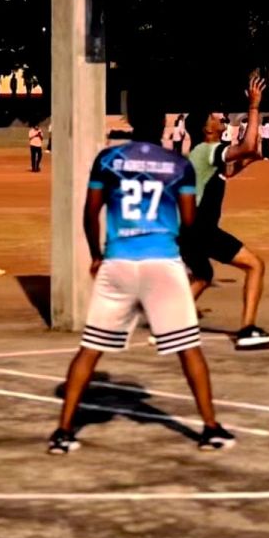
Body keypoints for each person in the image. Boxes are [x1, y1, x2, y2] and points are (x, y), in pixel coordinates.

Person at [47, 92, 234, 455]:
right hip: (162, 261)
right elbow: (189, 220)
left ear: (130, 121)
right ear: (164, 124)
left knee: (90, 349)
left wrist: (97, 254)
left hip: (118, 261)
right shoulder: (178, 164)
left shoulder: (109, 159)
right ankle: (210, 428)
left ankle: (63, 431)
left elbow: (90, 212)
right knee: (188, 349)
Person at [183, 74, 269, 349]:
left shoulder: (203, 154)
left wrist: (248, 161)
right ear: (207, 129)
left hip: (190, 230)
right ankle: (247, 330)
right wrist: (254, 106)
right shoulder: (208, 150)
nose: (219, 118)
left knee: (203, 276)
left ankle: (170, 326)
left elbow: (230, 170)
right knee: (255, 265)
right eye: (213, 117)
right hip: (201, 228)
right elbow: (247, 147)